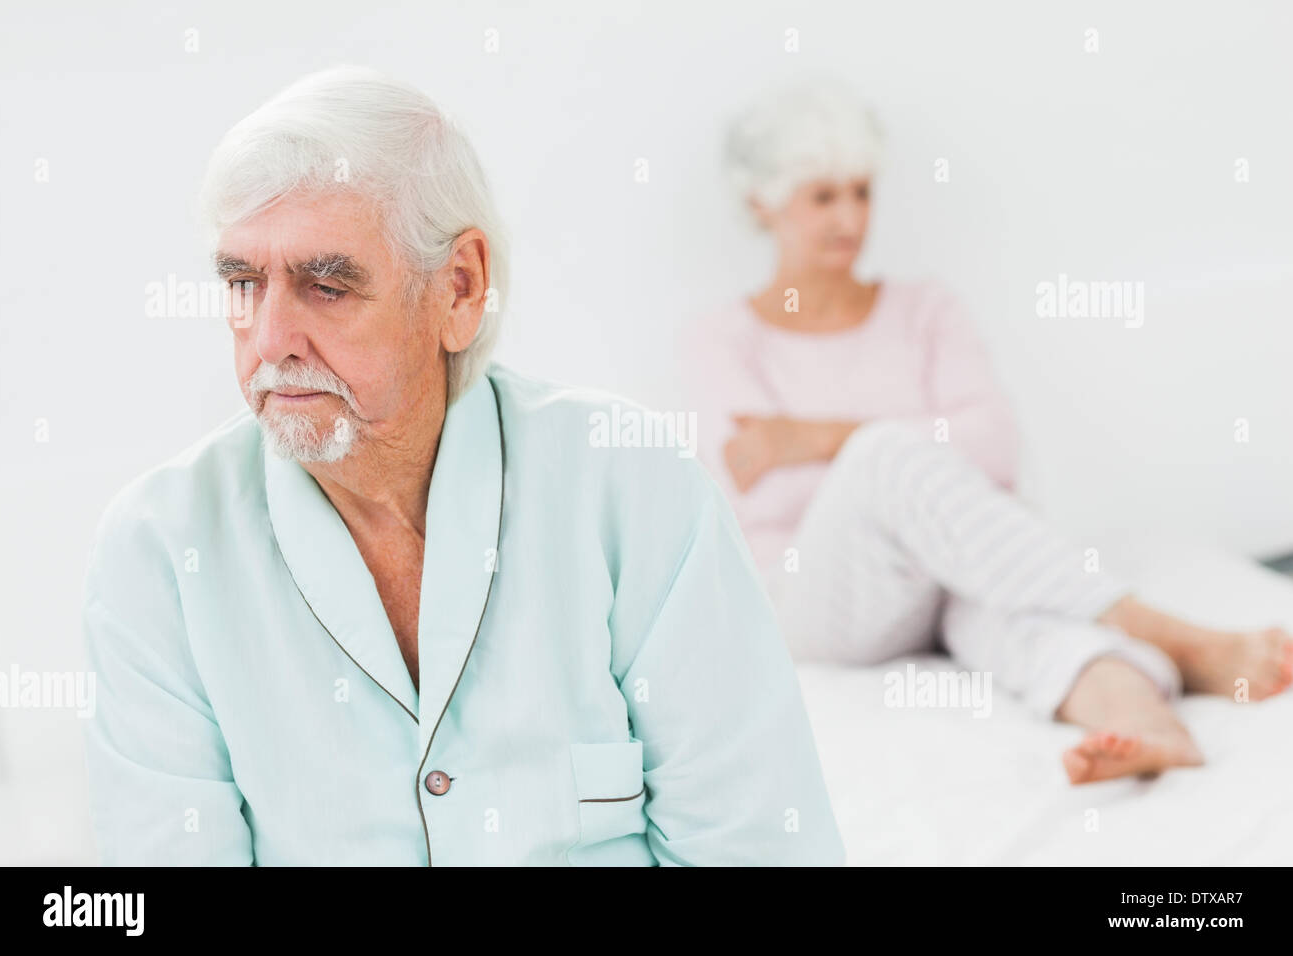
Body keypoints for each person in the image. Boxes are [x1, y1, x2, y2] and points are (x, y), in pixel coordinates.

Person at [80, 66, 845, 865]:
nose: (271, 340)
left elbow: (758, 844)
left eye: (327, 286)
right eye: (243, 283)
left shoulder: (631, 484)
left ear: (460, 288)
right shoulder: (158, 551)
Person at [680, 79, 1293, 785]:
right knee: (889, 461)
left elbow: (996, 446)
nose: (850, 216)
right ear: (763, 203)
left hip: (944, 576)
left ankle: (1149, 724)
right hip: (817, 604)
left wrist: (810, 436)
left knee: (1024, 611)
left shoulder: (924, 310)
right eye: (823, 197)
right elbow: (763, 495)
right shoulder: (722, 341)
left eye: (862, 191)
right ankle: (1172, 634)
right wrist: (893, 462)